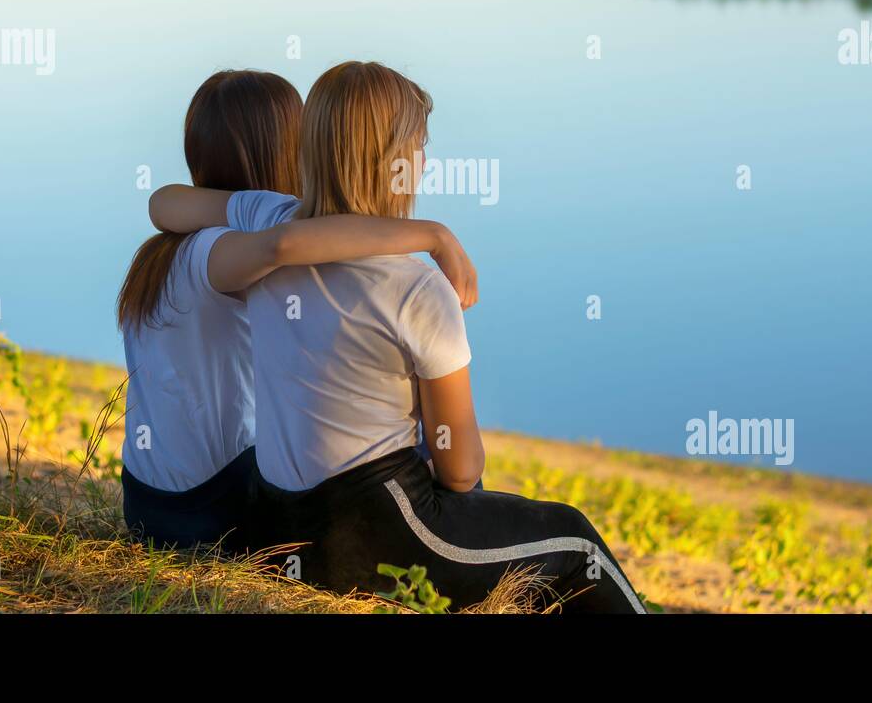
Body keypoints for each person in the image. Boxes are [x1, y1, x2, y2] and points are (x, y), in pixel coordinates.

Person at [150, 61, 645, 612]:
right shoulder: (416, 288)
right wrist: (432, 235)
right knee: (574, 540)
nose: (427, 161)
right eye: (420, 145)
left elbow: (165, 205)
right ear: (395, 164)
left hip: (281, 529)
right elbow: (459, 469)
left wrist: (430, 235)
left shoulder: (267, 222)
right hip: (376, 532)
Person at [117, 68, 476, 551]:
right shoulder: (222, 249)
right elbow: (284, 243)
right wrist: (433, 235)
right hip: (209, 511)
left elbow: (164, 203)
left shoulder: (174, 251)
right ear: (285, 147)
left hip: (149, 501)